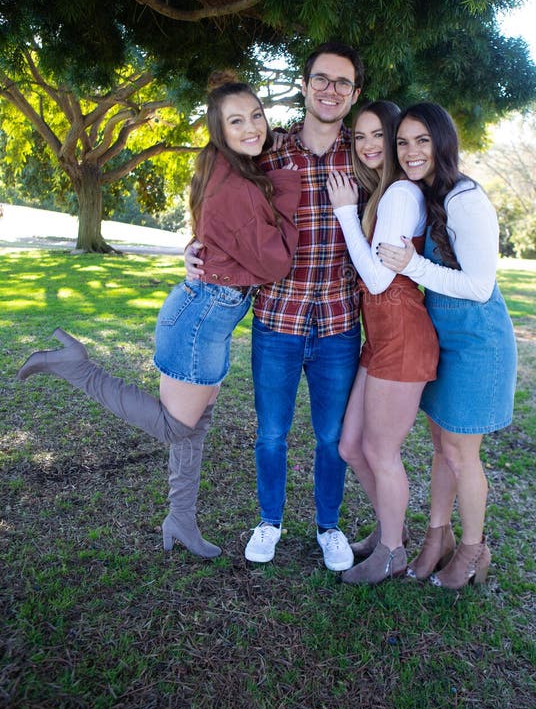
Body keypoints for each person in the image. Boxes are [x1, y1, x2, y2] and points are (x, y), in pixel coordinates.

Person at [17, 75, 301, 560]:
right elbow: (277, 262)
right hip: (200, 320)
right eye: (237, 121)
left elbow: (219, 237)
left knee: (198, 419)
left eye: (257, 116)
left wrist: (274, 147)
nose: (252, 127)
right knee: (177, 427)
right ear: (218, 130)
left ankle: (181, 520)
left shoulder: (221, 164)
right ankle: (76, 367)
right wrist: (291, 182)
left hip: (207, 311)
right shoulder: (234, 184)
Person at [185, 42, 364, 571]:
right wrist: (195, 245)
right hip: (277, 322)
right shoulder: (269, 149)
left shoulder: (365, 151)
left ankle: (329, 526)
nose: (331, 90)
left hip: (338, 323)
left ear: (354, 95)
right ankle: (270, 520)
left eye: (343, 83)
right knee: (271, 432)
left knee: (332, 436)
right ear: (305, 85)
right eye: (321, 79)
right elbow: (217, 196)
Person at [377, 102, 518, 589]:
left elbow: (479, 286)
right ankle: (437, 538)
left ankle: (474, 550)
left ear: (442, 142)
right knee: (441, 446)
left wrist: (411, 265)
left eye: (422, 140)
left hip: (477, 343)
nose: (411, 151)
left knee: (462, 453)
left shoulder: (465, 198)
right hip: (445, 340)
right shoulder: (427, 193)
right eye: (403, 142)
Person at [325, 100, 439, 584]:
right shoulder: (385, 193)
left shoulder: (398, 196)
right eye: (360, 137)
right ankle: (389, 529)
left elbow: (375, 280)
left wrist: (346, 214)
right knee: (351, 446)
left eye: (379, 136)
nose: (369, 146)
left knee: (380, 451)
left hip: (403, 337)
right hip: (382, 337)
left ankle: (392, 551)